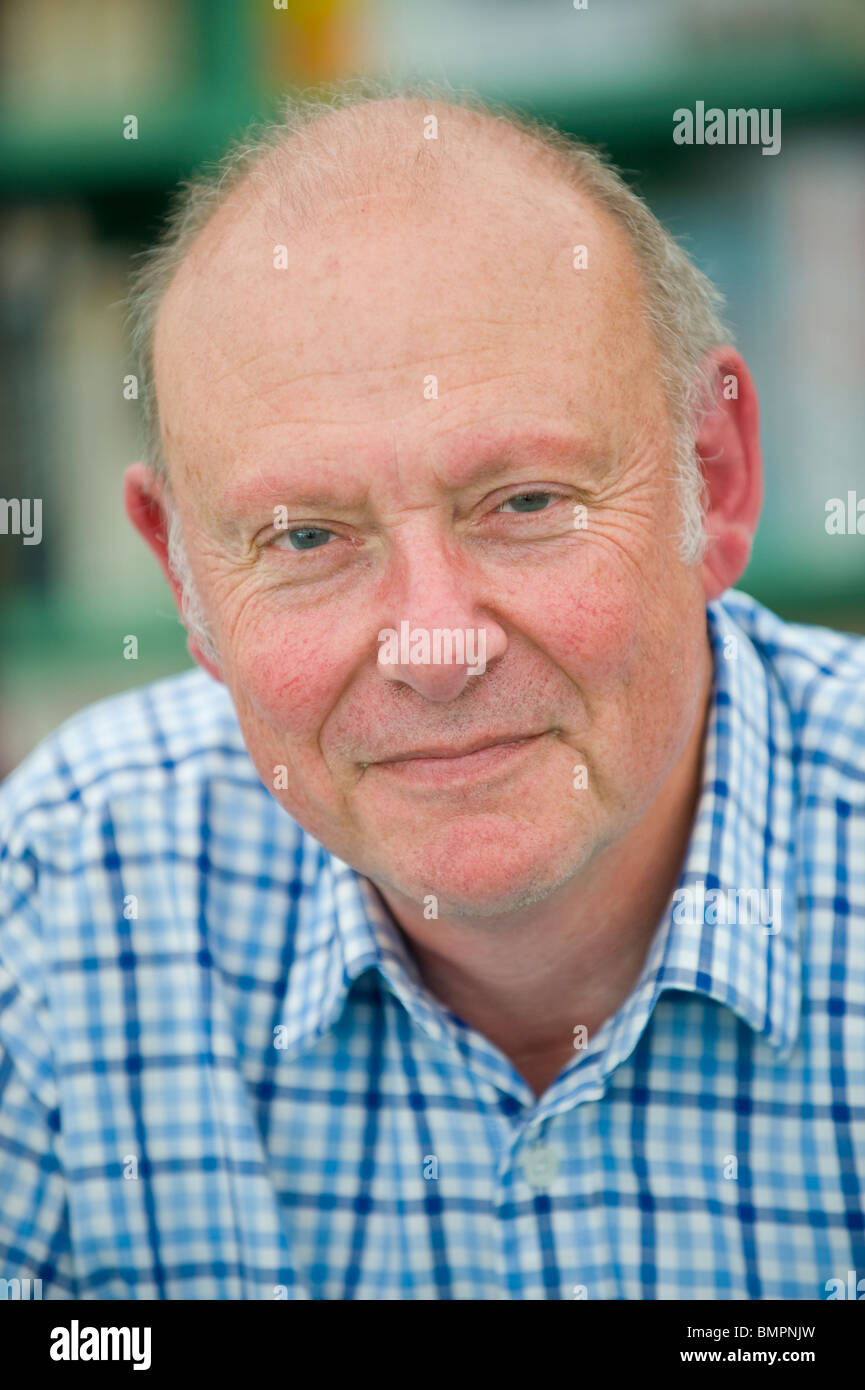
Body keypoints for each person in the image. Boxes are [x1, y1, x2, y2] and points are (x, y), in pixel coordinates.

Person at [1, 84, 863, 1301]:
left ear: (710, 483)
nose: (435, 646)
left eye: (523, 503)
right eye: (306, 538)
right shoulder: (66, 892)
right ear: (184, 580)